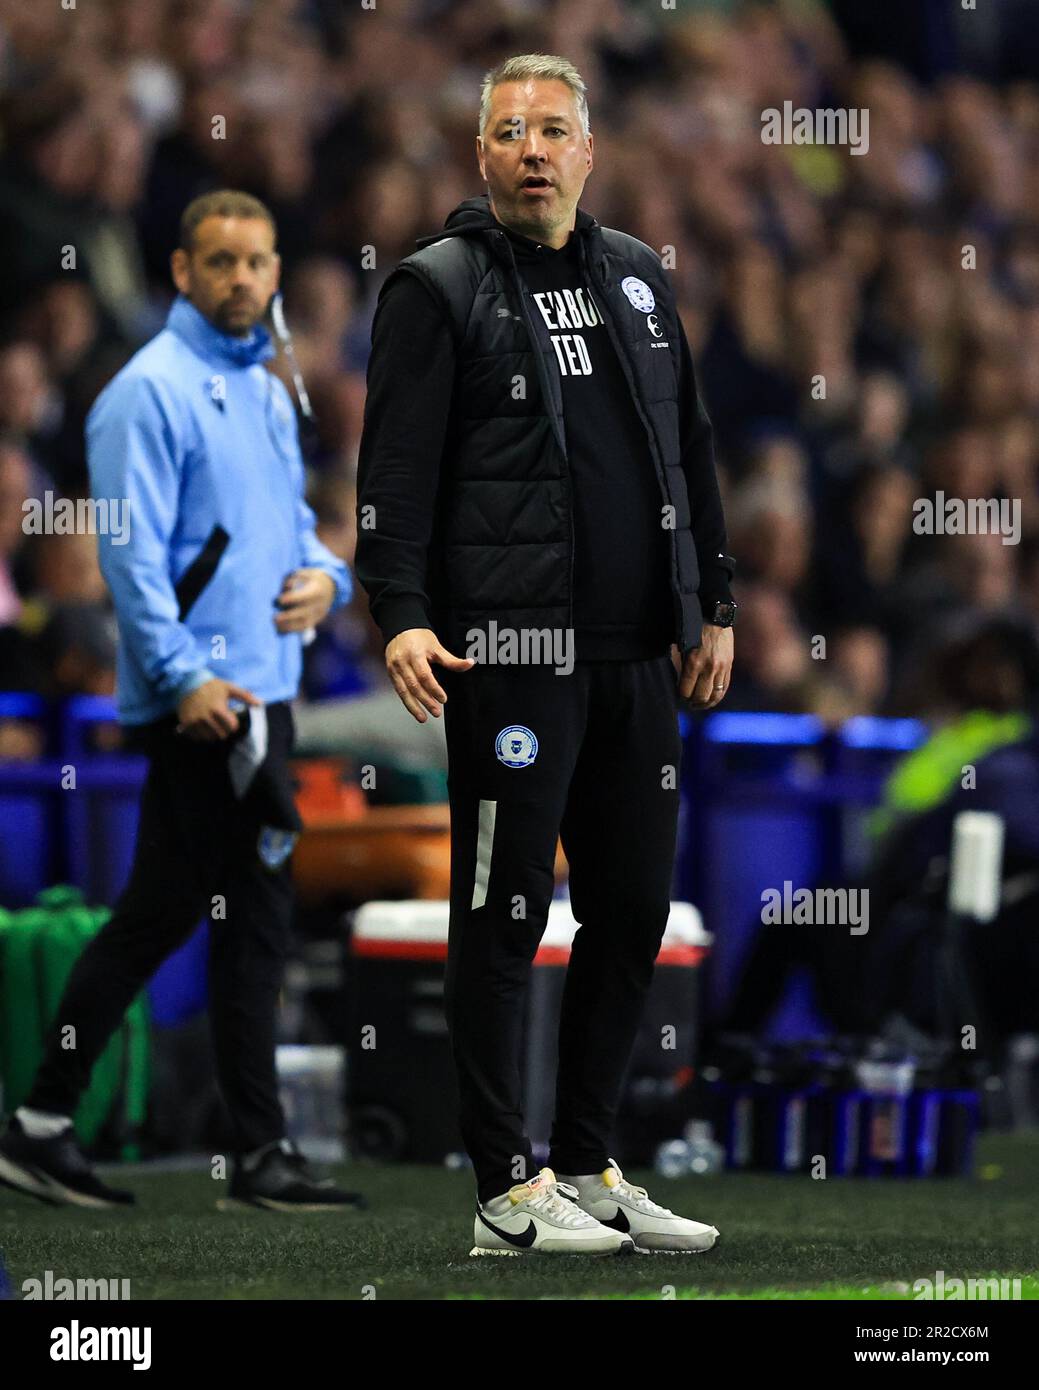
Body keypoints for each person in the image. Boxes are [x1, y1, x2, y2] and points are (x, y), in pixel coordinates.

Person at [355, 54, 735, 1255]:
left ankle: (587, 1159)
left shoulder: (634, 279)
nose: (532, 149)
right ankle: (502, 1191)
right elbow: (394, 475)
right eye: (510, 130)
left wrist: (709, 602)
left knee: (627, 913)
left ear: (588, 152)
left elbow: (692, 455)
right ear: (480, 154)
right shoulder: (438, 286)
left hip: (637, 660)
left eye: (553, 130)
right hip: (514, 657)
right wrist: (400, 609)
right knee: (504, 910)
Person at [0, 190, 362, 1213]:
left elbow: (292, 523)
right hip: (208, 696)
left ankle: (42, 1123)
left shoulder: (261, 389)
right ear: (181, 272)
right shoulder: (146, 392)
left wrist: (325, 579)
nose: (241, 278)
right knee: (254, 909)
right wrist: (183, 677)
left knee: (167, 911)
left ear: (276, 271)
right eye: (221, 262)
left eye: (257, 261)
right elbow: (128, 557)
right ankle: (256, 1154)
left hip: (263, 686)